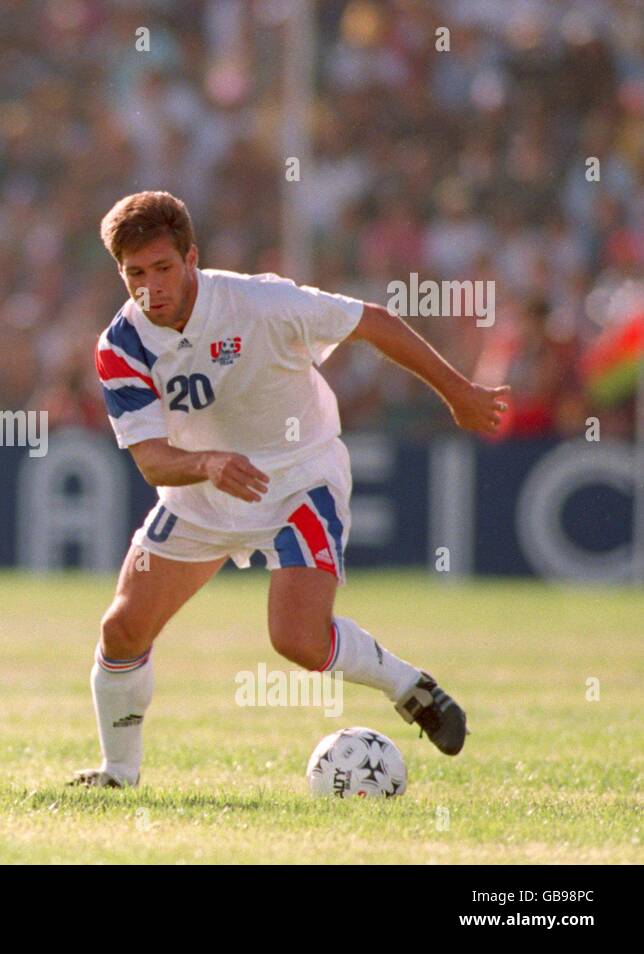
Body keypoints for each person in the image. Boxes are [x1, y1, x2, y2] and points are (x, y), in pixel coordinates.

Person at [74, 191, 509, 787]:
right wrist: (208, 465)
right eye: (135, 274)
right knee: (122, 629)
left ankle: (411, 688)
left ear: (192, 258)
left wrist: (457, 391)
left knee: (297, 640)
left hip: (300, 478)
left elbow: (372, 322)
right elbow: (152, 461)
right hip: (202, 489)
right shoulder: (120, 345)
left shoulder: (261, 303)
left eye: (163, 268)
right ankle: (118, 775)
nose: (151, 288)